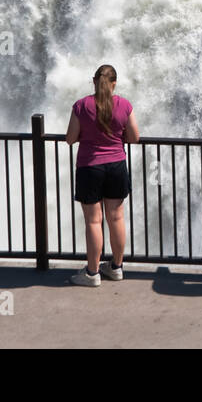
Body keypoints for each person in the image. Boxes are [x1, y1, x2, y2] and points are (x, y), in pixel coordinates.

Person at [66, 64, 139, 287]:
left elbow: (70, 138)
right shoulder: (124, 105)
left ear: (94, 81)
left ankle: (92, 273)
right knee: (116, 218)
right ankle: (116, 268)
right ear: (114, 83)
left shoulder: (81, 106)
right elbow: (135, 137)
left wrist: (87, 136)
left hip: (90, 167)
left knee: (93, 221)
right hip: (116, 165)